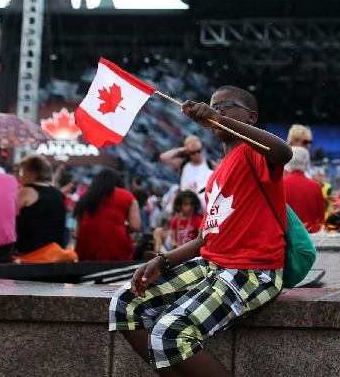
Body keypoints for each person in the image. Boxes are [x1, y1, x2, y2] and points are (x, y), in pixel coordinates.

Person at [110, 85, 292, 376]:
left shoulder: (254, 152)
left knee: (170, 333)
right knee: (125, 304)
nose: (216, 111)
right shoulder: (217, 172)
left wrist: (220, 120)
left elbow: (283, 152)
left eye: (226, 106)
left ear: (252, 117)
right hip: (214, 265)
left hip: (253, 270)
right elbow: (205, 237)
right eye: (213, 106)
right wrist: (163, 260)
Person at [74, 168, 140, 261]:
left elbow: (77, 231)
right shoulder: (128, 196)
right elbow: (135, 226)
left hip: (86, 249)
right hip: (117, 248)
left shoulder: (85, 197)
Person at [15, 154, 67, 255]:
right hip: (55, 252)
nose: (19, 176)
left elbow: (8, 215)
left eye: (21, 171)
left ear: (31, 173)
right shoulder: (57, 193)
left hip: (30, 253)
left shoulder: (26, 191)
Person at [160, 135, 214, 207]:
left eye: (199, 151)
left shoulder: (210, 164)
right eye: (193, 153)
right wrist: (182, 150)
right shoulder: (183, 164)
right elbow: (163, 157)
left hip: (205, 204)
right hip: (186, 206)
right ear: (188, 152)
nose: (197, 154)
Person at [283, 146, 325, 232]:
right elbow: (320, 219)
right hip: (309, 234)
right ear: (306, 164)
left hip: (286, 234)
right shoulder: (316, 187)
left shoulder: (279, 184)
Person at [152, 190, 202, 255]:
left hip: (190, 249)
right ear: (179, 206)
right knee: (158, 231)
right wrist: (174, 243)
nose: (189, 207)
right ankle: (156, 255)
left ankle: (164, 257)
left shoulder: (198, 219)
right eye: (186, 204)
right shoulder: (175, 219)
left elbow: (200, 240)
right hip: (177, 248)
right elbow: (173, 239)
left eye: (191, 204)